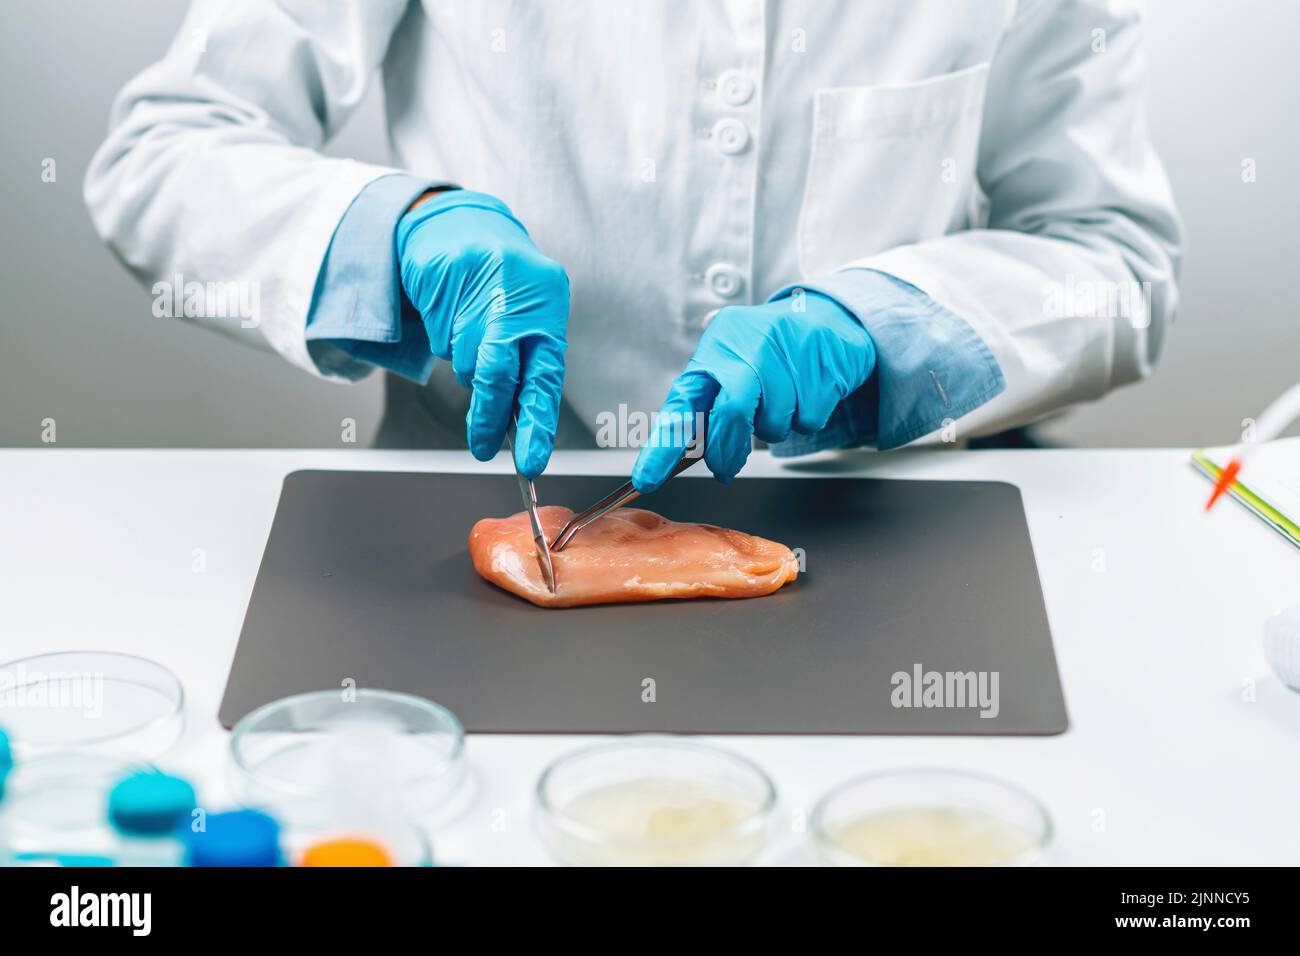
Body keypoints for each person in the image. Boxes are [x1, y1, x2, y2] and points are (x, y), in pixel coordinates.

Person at [85, 0, 1181, 491]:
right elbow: (164, 150)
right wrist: (390, 233)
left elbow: (1112, 256)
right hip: (474, 525)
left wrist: (891, 327)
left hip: (877, 534)